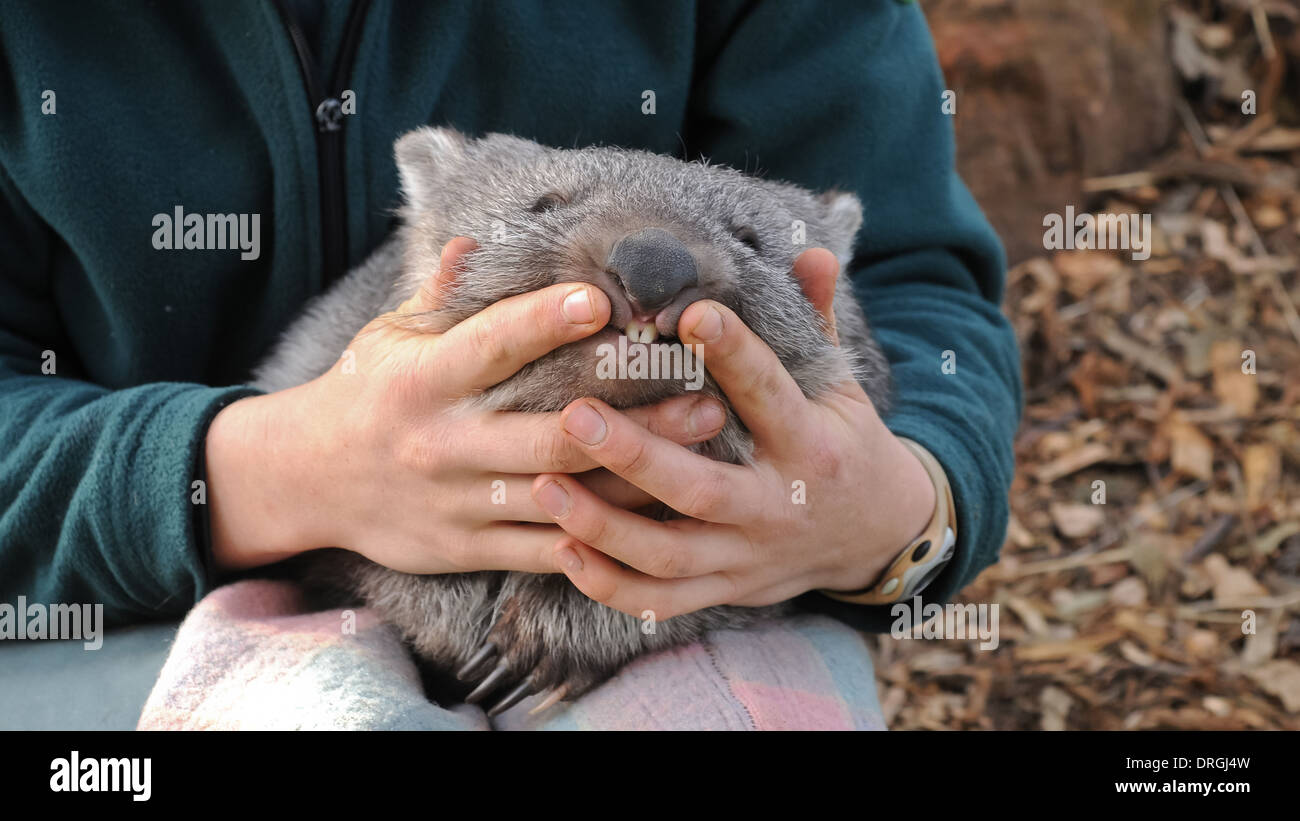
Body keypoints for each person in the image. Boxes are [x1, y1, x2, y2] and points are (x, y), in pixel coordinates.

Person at [0, 0, 1020, 729]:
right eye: (545, 214)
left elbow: (910, 276)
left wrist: (899, 510)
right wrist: (255, 470)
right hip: (88, 619)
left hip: (697, 607)